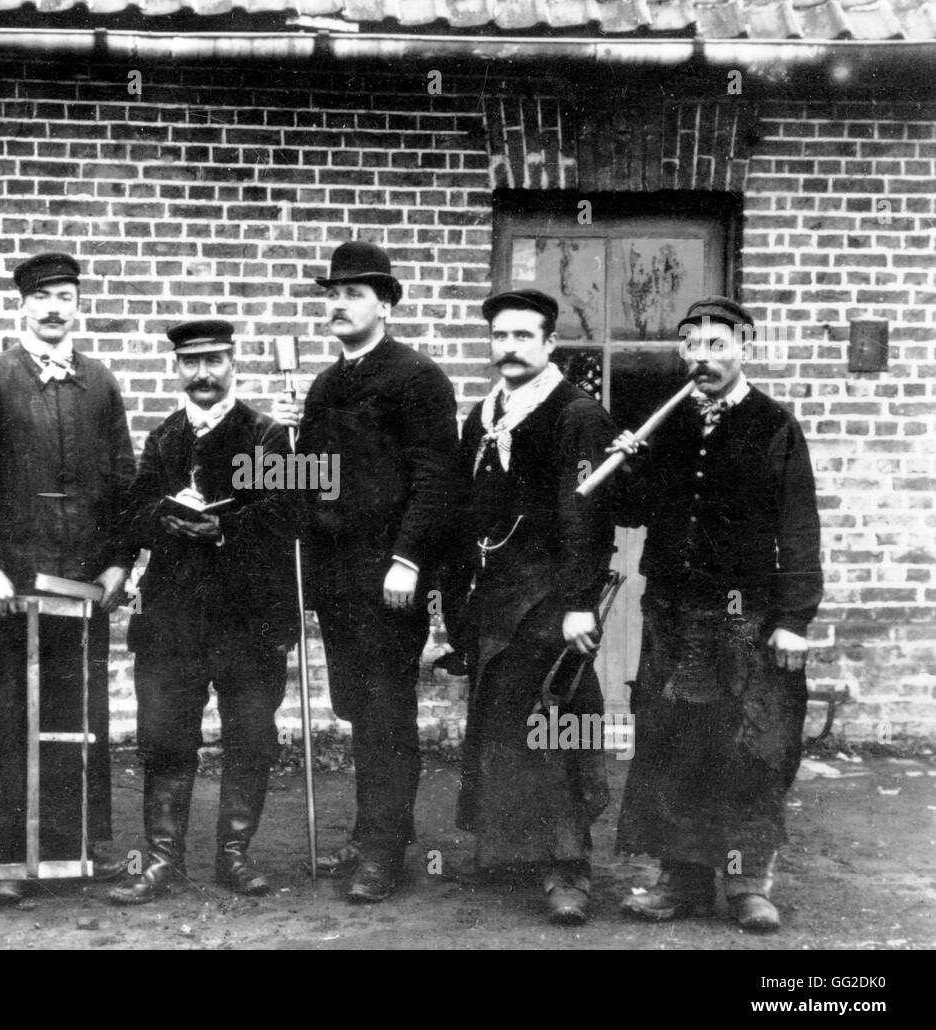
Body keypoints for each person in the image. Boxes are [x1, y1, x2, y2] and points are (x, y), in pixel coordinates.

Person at [611, 296, 823, 933]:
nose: (703, 358)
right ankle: (681, 878)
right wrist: (628, 463)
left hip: (747, 617)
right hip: (674, 611)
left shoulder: (773, 425)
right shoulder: (668, 424)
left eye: (717, 345)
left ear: (744, 348)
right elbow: (633, 513)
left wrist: (795, 618)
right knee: (674, 743)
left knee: (749, 749)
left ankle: (747, 882)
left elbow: (799, 529)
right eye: (692, 346)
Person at [271, 240, 459, 902]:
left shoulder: (416, 379)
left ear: (385, 304)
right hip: (336, 579)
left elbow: (436, 478)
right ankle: (369, 831)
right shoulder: (325, 385)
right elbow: (317, 480)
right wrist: (287, 449)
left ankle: (384, 850)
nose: (338, 305)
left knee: (386, 711)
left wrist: (409, 557)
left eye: (353, 294)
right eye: (332, 295)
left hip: (389, 578)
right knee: (357, 707)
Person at [0, 251, 136, 904]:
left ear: (77, 304)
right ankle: (1, 858)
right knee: (5, 716)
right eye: (44, 297)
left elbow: (123, 483)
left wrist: (120, 561)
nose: (56, 307)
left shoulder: (101, 383)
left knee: (76, 714)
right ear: (23, 305)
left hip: (83, 584)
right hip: (14, 587)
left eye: (66, 295)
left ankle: (75, 846)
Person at [441, 289, 618, 924]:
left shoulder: (576, 415)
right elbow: (467, 513)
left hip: (551, 596)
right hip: (498, 595)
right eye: (500, 337)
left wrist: (579, 604)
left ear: (549, 345)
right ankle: (516, 850)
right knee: (505, 723)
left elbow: (588, 517)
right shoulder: (484, 414)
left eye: (523, 337)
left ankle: (569, 868)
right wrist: (456, 601)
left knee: (557, 722)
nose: (509, 348)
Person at [107, 320, 297, 904]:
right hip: (172, 619)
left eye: (214, 360)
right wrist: (165, 516)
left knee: (249, 738)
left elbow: (288, 516)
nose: (203, 374)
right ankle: (164, 859)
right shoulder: (164, 438)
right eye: (191, 363)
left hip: (249, 617)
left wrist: (223, 526)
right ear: (178, 369)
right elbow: (133, 513)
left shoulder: (266, 435)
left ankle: (235, 856)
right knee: (165, 737)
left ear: (232, 362)